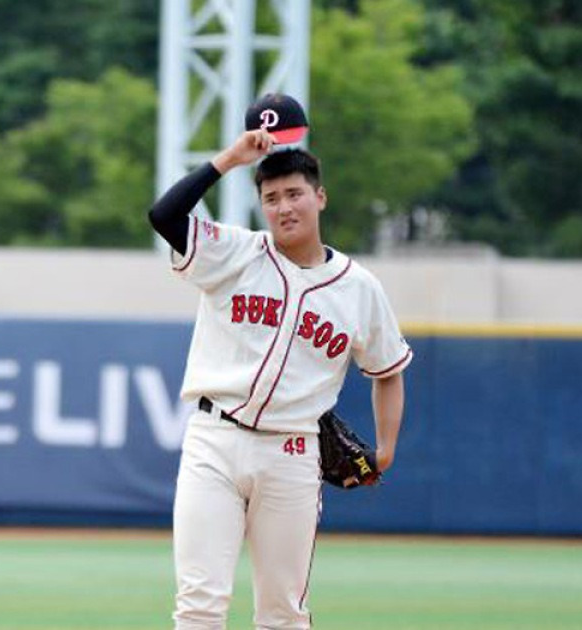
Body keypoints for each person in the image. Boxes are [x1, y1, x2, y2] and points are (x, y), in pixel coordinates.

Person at [148, 93, 411, 629]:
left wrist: (384, 451)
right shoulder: (235, 253)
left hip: (292, 453)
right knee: (199, 606)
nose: (284, 206)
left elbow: (388, 373)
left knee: (282, 615)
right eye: (271, 198)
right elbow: (165, 214)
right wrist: (231, 158)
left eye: (295, 194)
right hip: (213, 442)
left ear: (321, 198)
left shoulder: (359, 289)